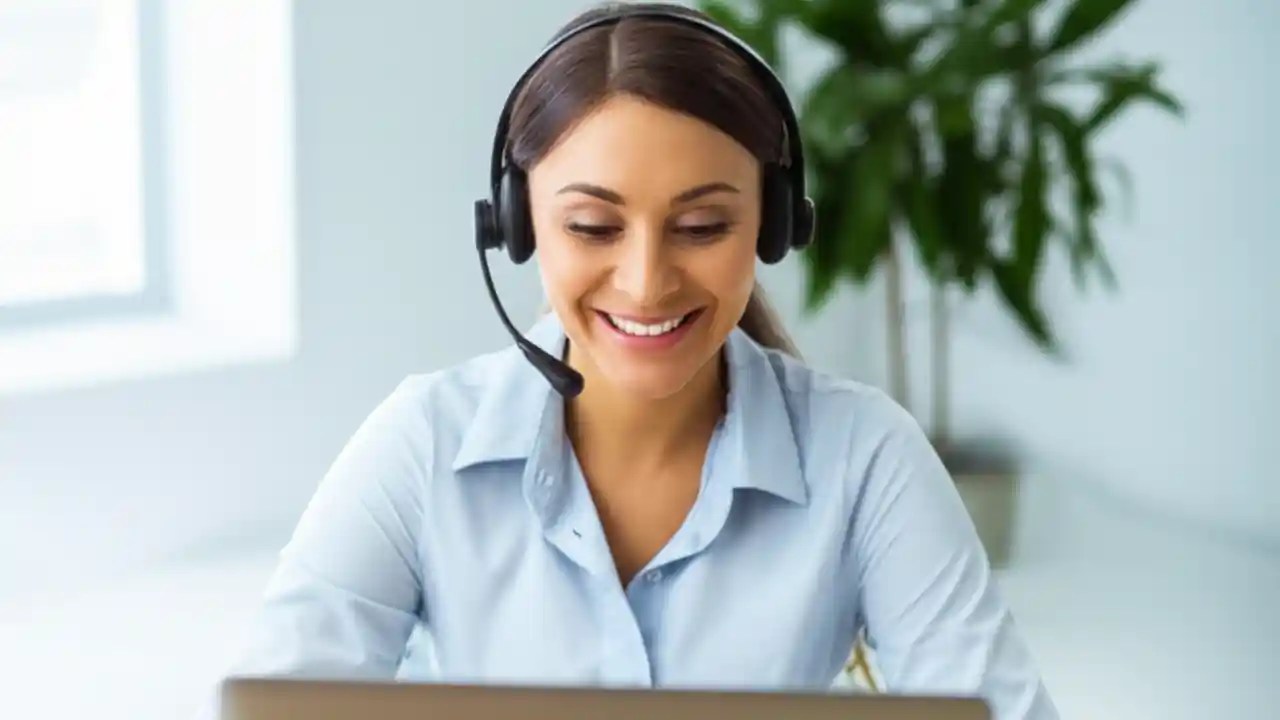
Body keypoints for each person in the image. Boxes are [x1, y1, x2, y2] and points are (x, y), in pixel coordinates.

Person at [202, 3, 1058, 719]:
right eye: (592, 227)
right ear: (516, 224)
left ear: (772, 228)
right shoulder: (422, 444)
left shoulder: (865, 456)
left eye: (701, 227)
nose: (647, 283)